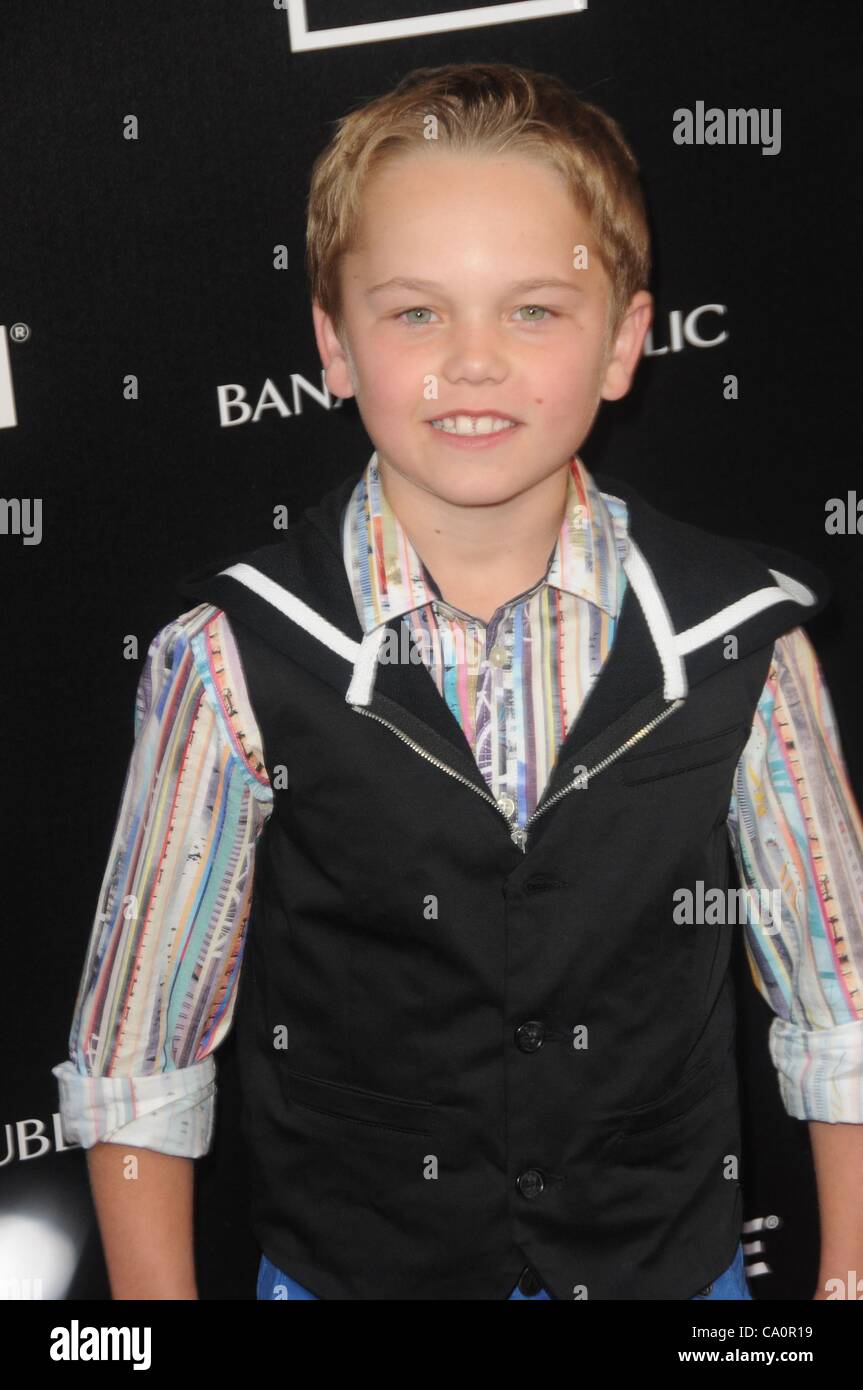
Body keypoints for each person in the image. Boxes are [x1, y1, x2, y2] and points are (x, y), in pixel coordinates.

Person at [53, 62, 863, 1302]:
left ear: (624, 344)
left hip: (671, 1280)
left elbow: (841, 1014)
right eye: (415, 313)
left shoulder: (741, 643)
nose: (472, 363)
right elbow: (139, 1059)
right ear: (333, 343)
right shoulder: (231, 657)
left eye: (534, 311)